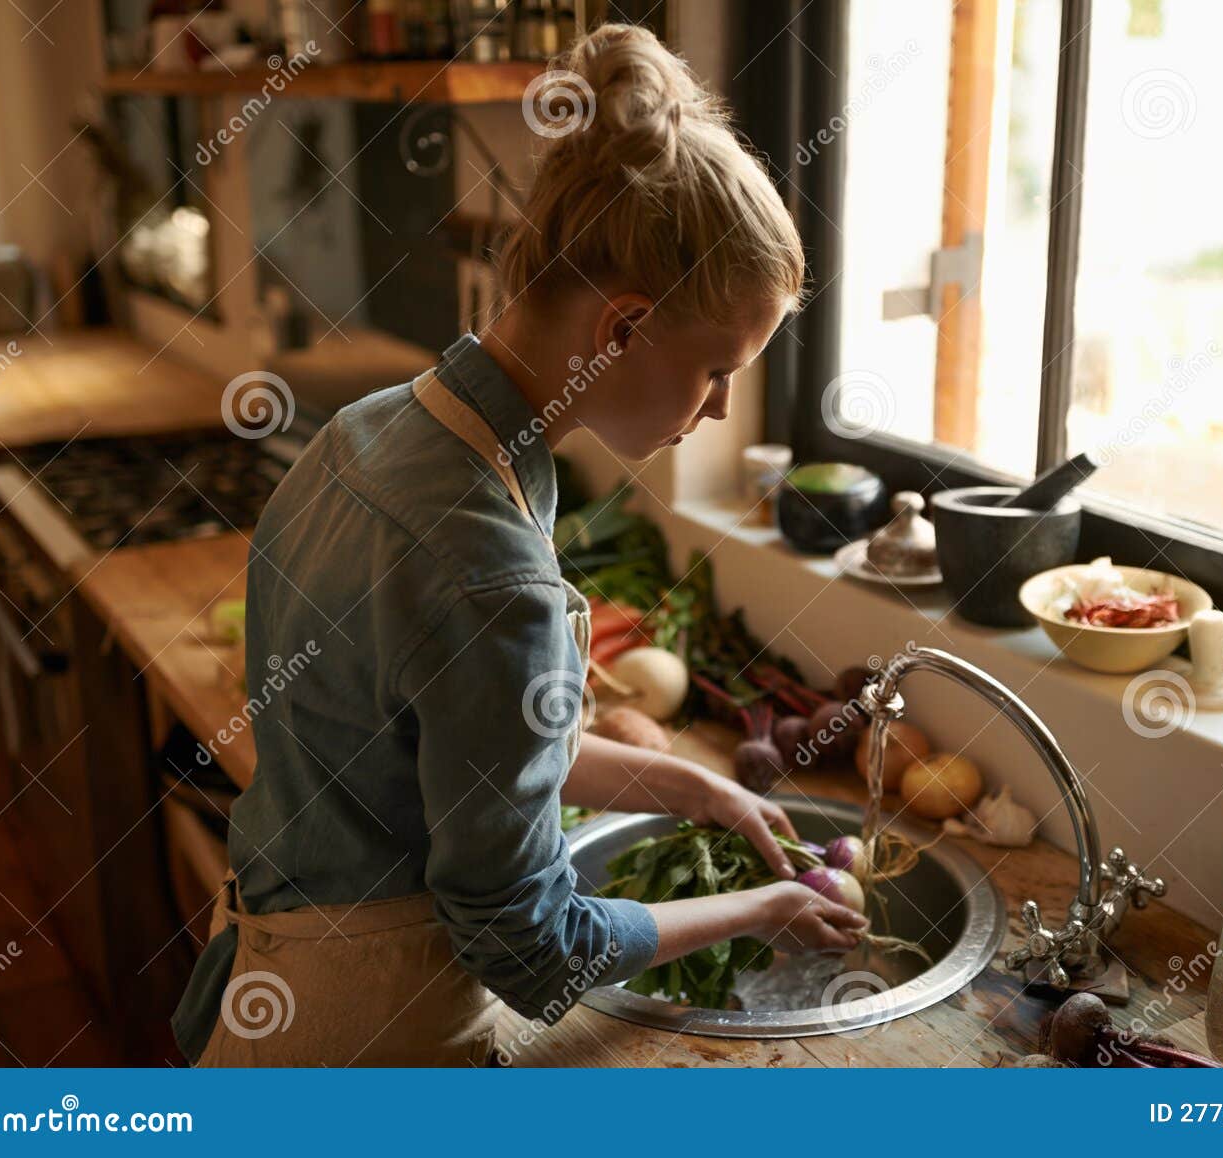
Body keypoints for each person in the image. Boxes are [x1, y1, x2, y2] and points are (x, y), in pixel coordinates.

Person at [173, 22, 865, 1066]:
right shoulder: (495, 576)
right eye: (716, 370)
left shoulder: (363, 433)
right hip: (369, 1042)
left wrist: (692, 786)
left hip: (264, 987)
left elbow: (454, 758)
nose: (721, 411)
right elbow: (529, 945)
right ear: (621, 330)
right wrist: (751, 910)